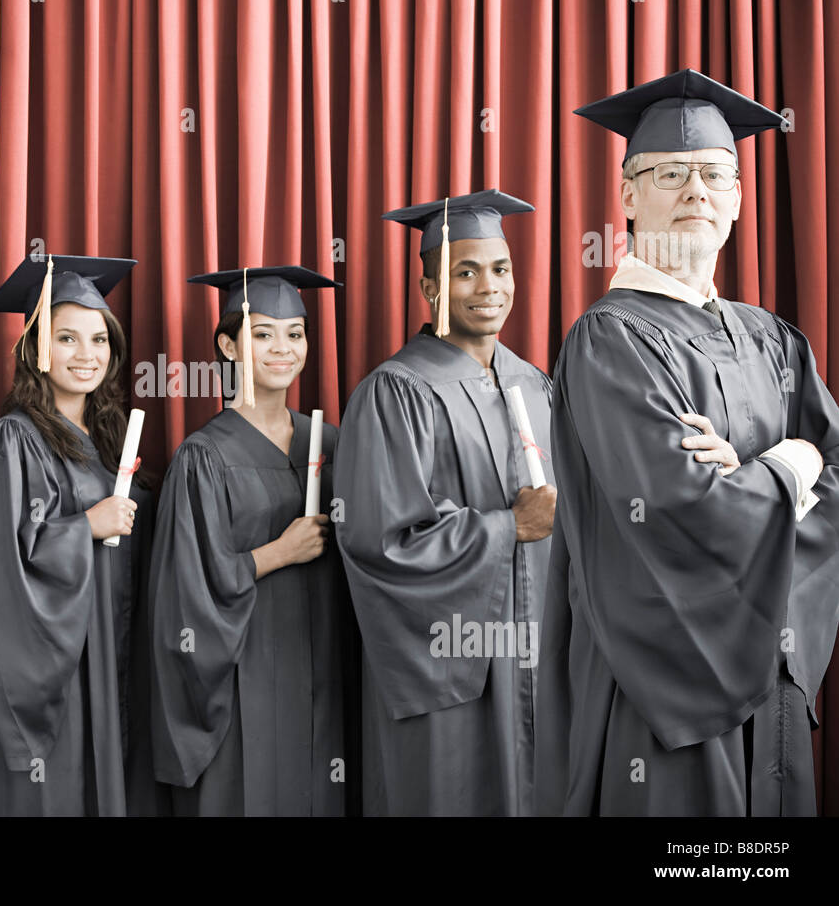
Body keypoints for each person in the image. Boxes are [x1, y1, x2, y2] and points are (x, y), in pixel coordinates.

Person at [536, 69, 839, 815]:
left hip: (774, 674)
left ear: (737, 199)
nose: (696, 192)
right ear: (629, 197)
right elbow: (677, 505)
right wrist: (790, 463)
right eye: (670, 174)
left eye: (714, 175)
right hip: (662, 684)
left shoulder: (770, 338)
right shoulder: (611, 342)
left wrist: (775, 470)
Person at [333, 190, 557, 815]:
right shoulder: (395, 393)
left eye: (501, 269)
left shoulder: (535, 383)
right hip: (452, 663)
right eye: (465, 271)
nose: (489, 286)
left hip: (539, 656)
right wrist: (509, 527)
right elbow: (382, 542)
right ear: (429, 285)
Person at [147, 265, 355, 816]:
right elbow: (183, 588)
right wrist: (278, 553)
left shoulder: (329, 440)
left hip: (328, 665)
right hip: (243, 671)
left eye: (296, 333)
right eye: (262, 334)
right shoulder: (204, 455)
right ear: (228, 345)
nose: (283, 348)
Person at [0, 254, 151, 816]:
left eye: (99, 340)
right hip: (49, 670)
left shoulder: (107, 440)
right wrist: (86, 528)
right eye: (66, 338)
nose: (87, 355)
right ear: (34, 349)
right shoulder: (11, 443)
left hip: (107, 657)